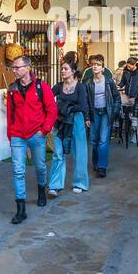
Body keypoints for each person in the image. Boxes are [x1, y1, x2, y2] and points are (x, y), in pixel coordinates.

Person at [6, 53, 57, 223]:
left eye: (17, 67)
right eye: (13, 67)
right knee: (18, 171)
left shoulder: (42, 87)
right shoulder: (12, 89)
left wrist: (44, 129)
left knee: (40, 167)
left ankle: (41, 189)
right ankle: (21, 209)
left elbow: (52, 110)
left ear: (27, 68)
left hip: (37, 134)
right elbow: (10, 114)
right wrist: (10, 134)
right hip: (18, 136)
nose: (14, 70)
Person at [49, 60, 88, 196]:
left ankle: (80, 183)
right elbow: (48, 98)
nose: (62, 71)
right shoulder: (59, 86)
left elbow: (83, 106)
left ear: (73, 71)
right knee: (58, 153)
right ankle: (55, 185)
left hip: (76, 120)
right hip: (60, 122)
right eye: (61, 69)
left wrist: (64, 107)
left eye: (65, 69)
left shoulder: (80, 87)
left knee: (79, 152)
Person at [82, 54, 120, 177]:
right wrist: (87, 117)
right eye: (94, 65)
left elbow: (117, 97)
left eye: (98, 65)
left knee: (103, 140)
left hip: (106, 113)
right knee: (94, 141)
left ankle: (102, 167)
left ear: (103, 68)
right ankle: (96, 163)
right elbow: (86, 102)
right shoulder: (88, 83)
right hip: (94, 114)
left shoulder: (109, 81)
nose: (95, 67)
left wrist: (113, 112)